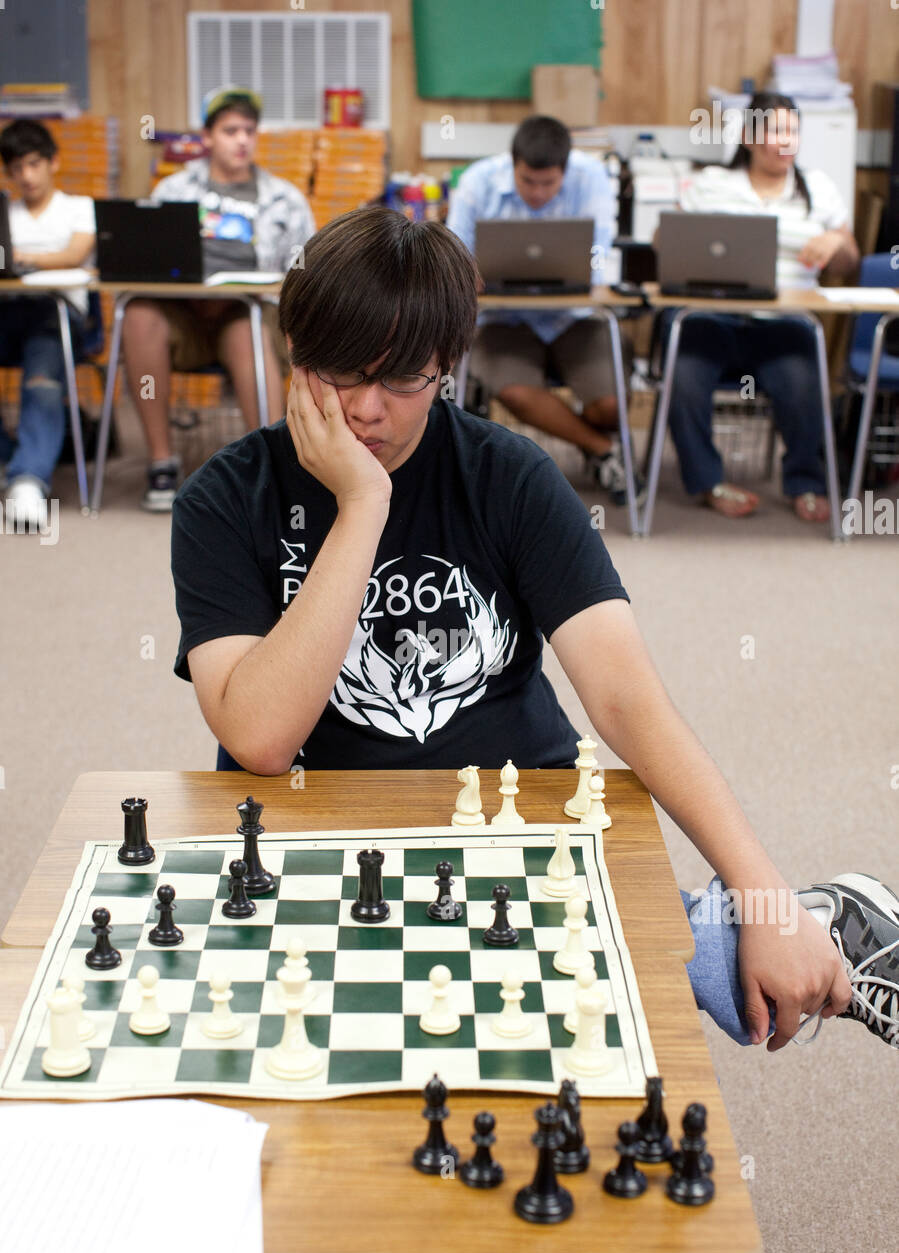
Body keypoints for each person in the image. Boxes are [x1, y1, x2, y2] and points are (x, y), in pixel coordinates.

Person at [170, 202, 896, 1075]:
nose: (365, 409)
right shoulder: (225, 498)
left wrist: (763, 892)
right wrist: (362, 505)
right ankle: (760, 927)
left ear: (448, 367)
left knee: (521, 1021)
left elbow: (626, 699)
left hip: (506, 817)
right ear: (292, 351)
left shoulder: (508, 474)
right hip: (319, 828)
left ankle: (794, 918)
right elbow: (258, 739)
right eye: (339, 373)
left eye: (403, 379)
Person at [664, 91, 859, 522]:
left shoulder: (818, 188)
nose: (786, 140)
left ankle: (806, 481)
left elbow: (849, 263)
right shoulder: (712, 183)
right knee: (684, 375)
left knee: (802, 380)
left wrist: (837, 243)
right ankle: (708, 481)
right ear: (750, 138)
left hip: (784, 321)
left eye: (793, 131)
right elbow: (665, 242)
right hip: (712, 317)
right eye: (775, 131)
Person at [122, 86, 315, 512]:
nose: (242, 139)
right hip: (184, 318)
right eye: (230, 131)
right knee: (138, 313)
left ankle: (269, 467)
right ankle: (161, 464)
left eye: (249, 130)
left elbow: (307, 276)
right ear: (207, 137)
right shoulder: (172, 191)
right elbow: (147, 263)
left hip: (248, 316)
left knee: (245, 328)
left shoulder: (286, 199)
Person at [446, 115, 640, 507]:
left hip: (576, 317)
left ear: (564, 171)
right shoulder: (477, 182)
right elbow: (453, 258)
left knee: (611, 404)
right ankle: (603, 449)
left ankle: (596, 444)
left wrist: (582, 271)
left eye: (548, 183)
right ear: (513, 164)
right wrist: (471, 274)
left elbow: (599, 255)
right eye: (527, 181)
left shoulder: (592, 178)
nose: (537, 192)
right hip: (503, 321)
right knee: (516, 392)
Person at [0, 118, 96, 528]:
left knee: (42, 367)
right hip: (7, 312)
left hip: (59, 317)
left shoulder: (79, 208)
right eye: (16, 168)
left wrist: (19, 257)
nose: (26, 176)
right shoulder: (6, 213)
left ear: (53, 162)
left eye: (34, 164)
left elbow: (74, 255)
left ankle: (27, 480)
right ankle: (9, 457)